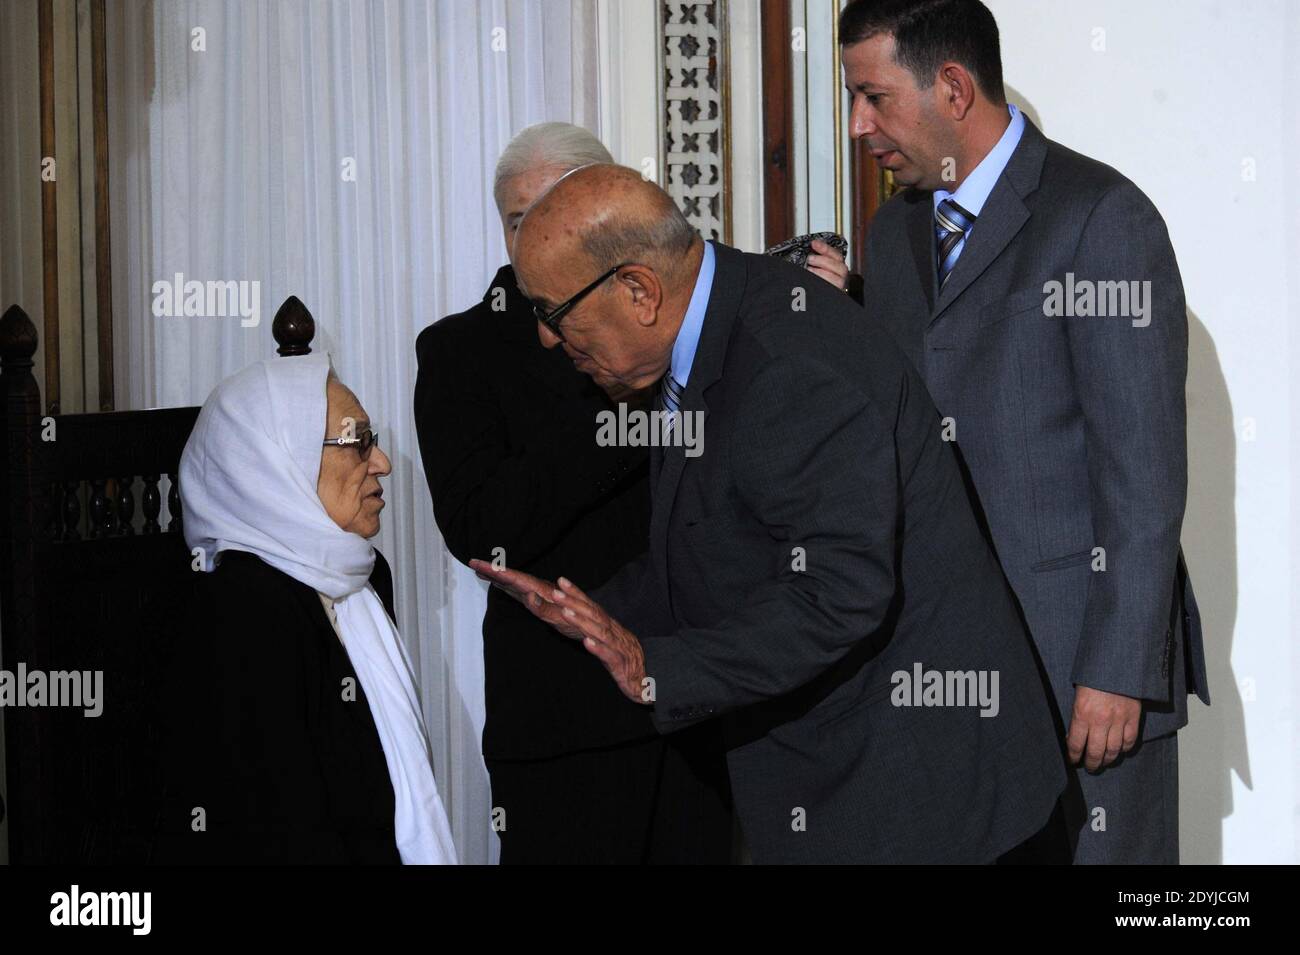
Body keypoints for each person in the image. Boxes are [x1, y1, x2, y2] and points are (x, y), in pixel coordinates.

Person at [474, 163, 1067, 864]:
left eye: (551, 311)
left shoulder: (787, 363)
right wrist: (592, 610)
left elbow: (838, 591)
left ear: (638, 290)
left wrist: (656, 665)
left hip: (921, 805)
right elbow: (714, 545)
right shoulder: (714, 324)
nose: (547, 339)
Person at [841, 0, 1207, 863]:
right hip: (947, 680)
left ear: (955, 88)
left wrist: (1117, 667)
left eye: (874, 98)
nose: (859, 126)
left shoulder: (1101, 218)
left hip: (1086, 676)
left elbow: (1144, 476)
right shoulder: (894, 232)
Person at [414, 123, 732, 864]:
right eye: (521, 220)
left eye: (559, 208)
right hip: (560, 720)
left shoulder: (668, 317)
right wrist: (619, 408)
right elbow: (479, 526)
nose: (540, 235)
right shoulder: (459, 349)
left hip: (694, 699)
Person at [156, 353, 457, 864]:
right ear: (279, 462)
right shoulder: (244, 608)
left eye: (373, 440)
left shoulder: (364, 576)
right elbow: (278, 827)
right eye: (357, 442)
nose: (381, 462)